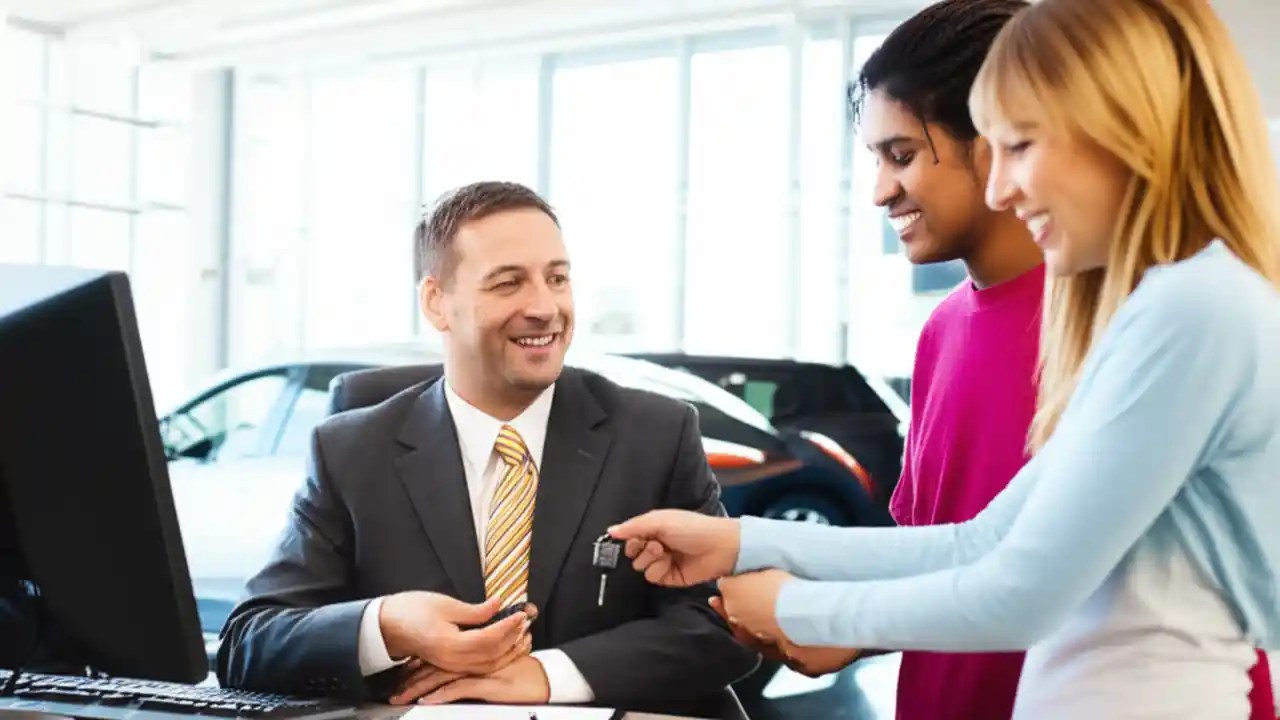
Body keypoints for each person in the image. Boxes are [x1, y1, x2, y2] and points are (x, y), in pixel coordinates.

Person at [611, 0, 1280, 717]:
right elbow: (976, 543)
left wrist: (798, 608)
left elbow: (1021, 593)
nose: (1001, 186)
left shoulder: (1192, 309)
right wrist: (740, 541)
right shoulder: (1166, 309)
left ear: (1116, 130)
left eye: (1019, 145)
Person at [217, 181, 757, 710]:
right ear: (437, 302)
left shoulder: (654, 435)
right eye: (508, 283)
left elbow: (724, 622)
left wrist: (545, 674)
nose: (545, 307)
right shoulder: (352, 451)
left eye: (557, 278)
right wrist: (387, 625)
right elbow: (248, 643)